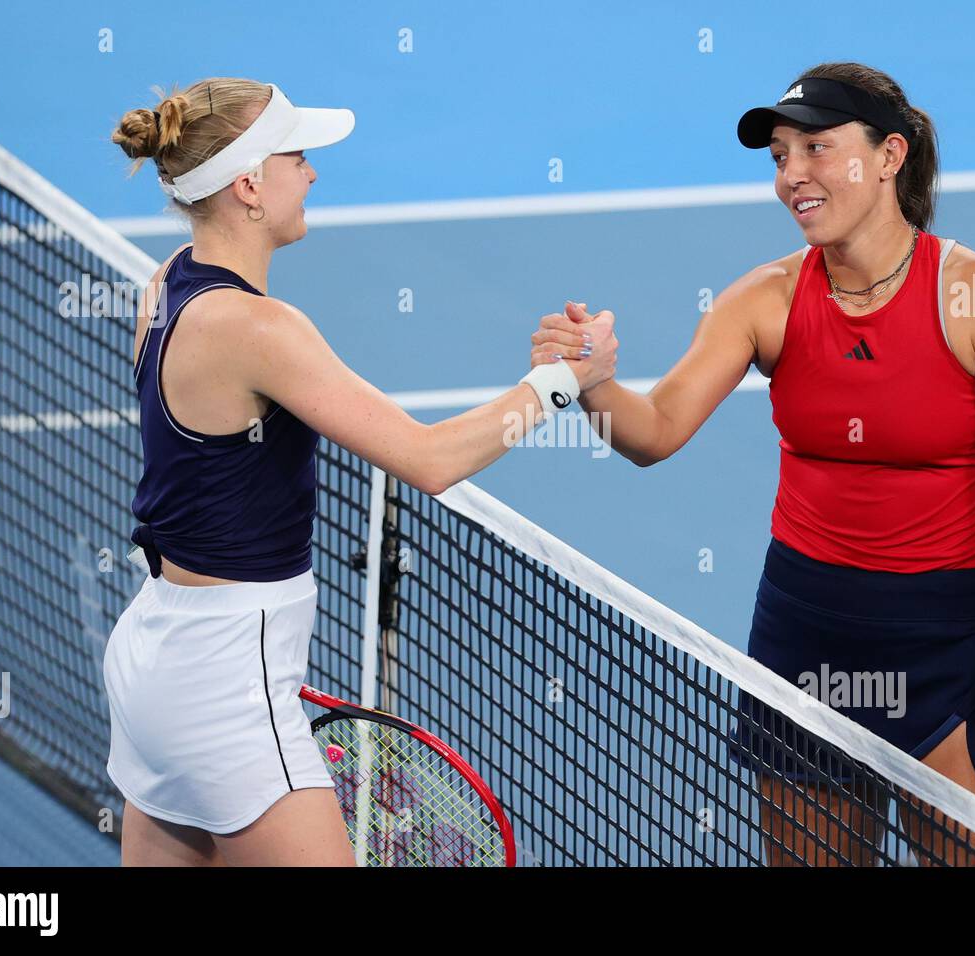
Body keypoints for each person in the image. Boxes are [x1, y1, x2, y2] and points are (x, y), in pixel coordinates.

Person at [531, 62, 975, 866]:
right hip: (804, 632)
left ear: (890, 156)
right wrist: (592, 383)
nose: (793, 176)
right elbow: (658, 430)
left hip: (947, 643)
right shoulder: (764, 299)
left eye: (817, 147)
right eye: (780, 155)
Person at [103, 77, 615, 866]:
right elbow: (432, 461)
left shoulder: (168, 279)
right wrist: (560, 384)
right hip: (225, 687)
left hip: (153, 663)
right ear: (248, 185)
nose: (311, 174)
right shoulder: (259, 328)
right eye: (298, 157)